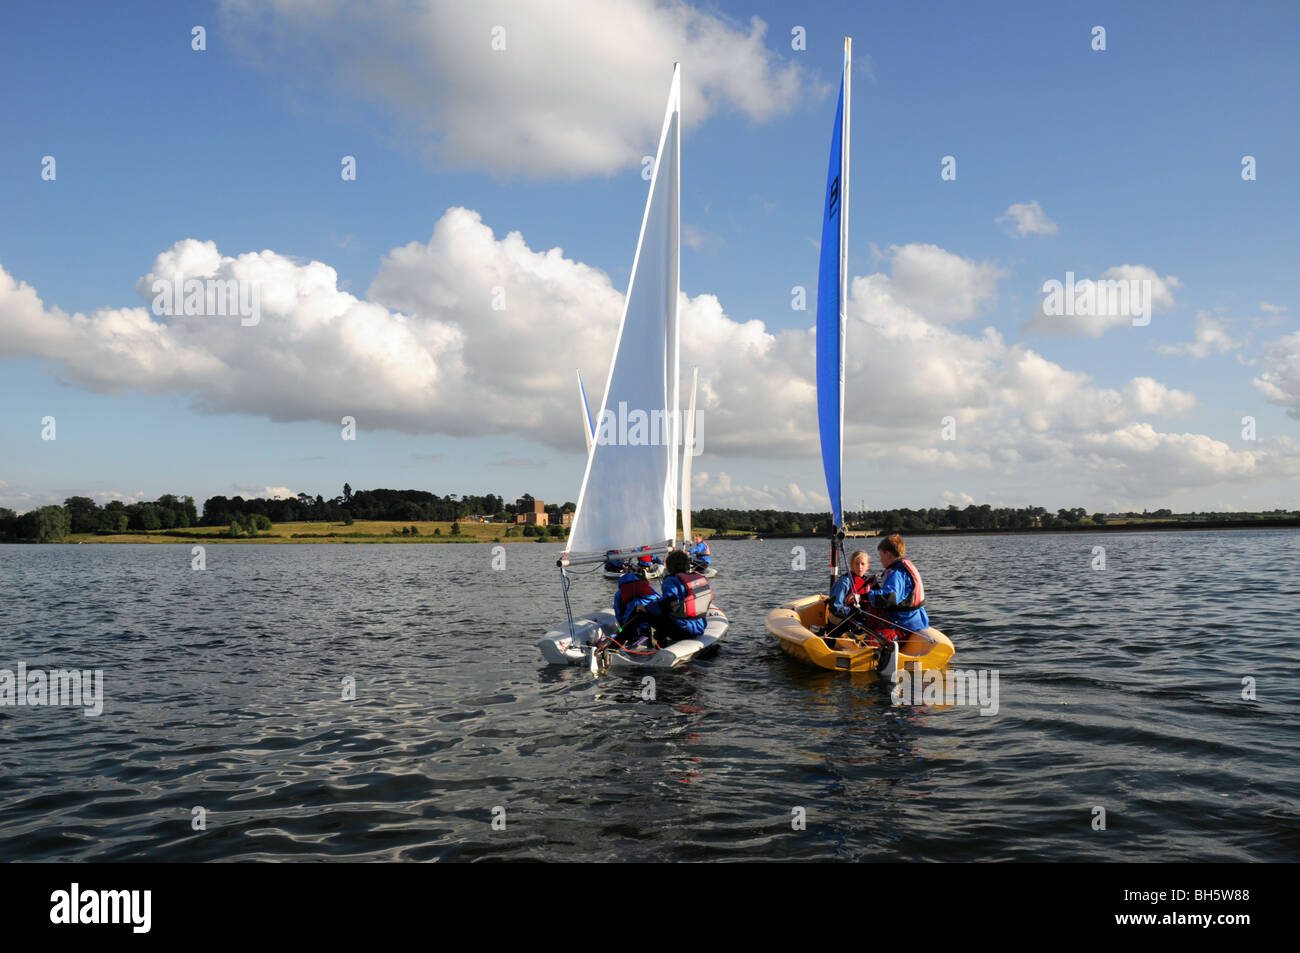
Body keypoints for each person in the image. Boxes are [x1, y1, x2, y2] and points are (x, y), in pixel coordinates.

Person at [623, 549, 713, 646]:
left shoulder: (672, 581)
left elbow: (668, 605)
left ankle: (618, 640)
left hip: (682, 630)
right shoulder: (695, 578)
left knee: (639, 611)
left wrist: (647, 608)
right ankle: (658, 639)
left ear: (670, 565)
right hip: (699, 628)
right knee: (661, 613)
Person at [867, 534, 929, 641]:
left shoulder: (897, 573)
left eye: (881, 556)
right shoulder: (901, 569)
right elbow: (898, 595)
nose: (880, 560)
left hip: (904, 624)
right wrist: (875, 587)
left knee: (870, 639)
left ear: (888, 554)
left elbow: (890, 598)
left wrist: (863, 595)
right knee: (867, 618)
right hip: (913, 619)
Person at [828, 550, 877, 622]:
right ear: (851, 565)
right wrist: (852, 611)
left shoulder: (869, 582)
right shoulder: (845, 581)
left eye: (863, 564)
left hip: (862, 616)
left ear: (868, 566)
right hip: (843, 617)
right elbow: (836, 607)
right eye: (857, 564)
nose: (860, 567)